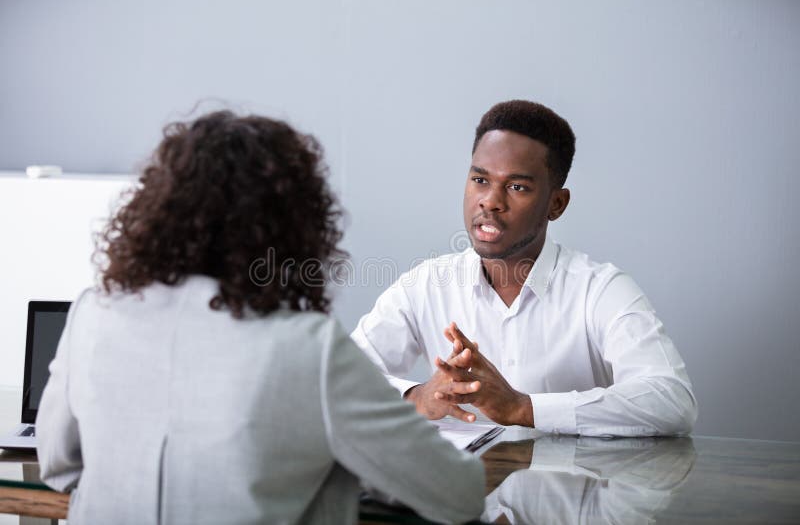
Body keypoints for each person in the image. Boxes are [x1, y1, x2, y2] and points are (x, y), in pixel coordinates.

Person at [37, 110, 484, 524]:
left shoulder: (92, 314)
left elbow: (57, 466)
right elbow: (459, 493)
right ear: (294, 225)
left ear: (156, 210)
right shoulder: (311, 348)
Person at [352, 100, 697, 437]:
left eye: (517, 187)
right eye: (480, 180)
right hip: (463, 492)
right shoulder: (425, 285)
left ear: (556, 204)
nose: (490, 201)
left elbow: (672, 400)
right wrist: (417, 398)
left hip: (565, 491)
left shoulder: (600, 290)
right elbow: (336, 378)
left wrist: (522, 408)